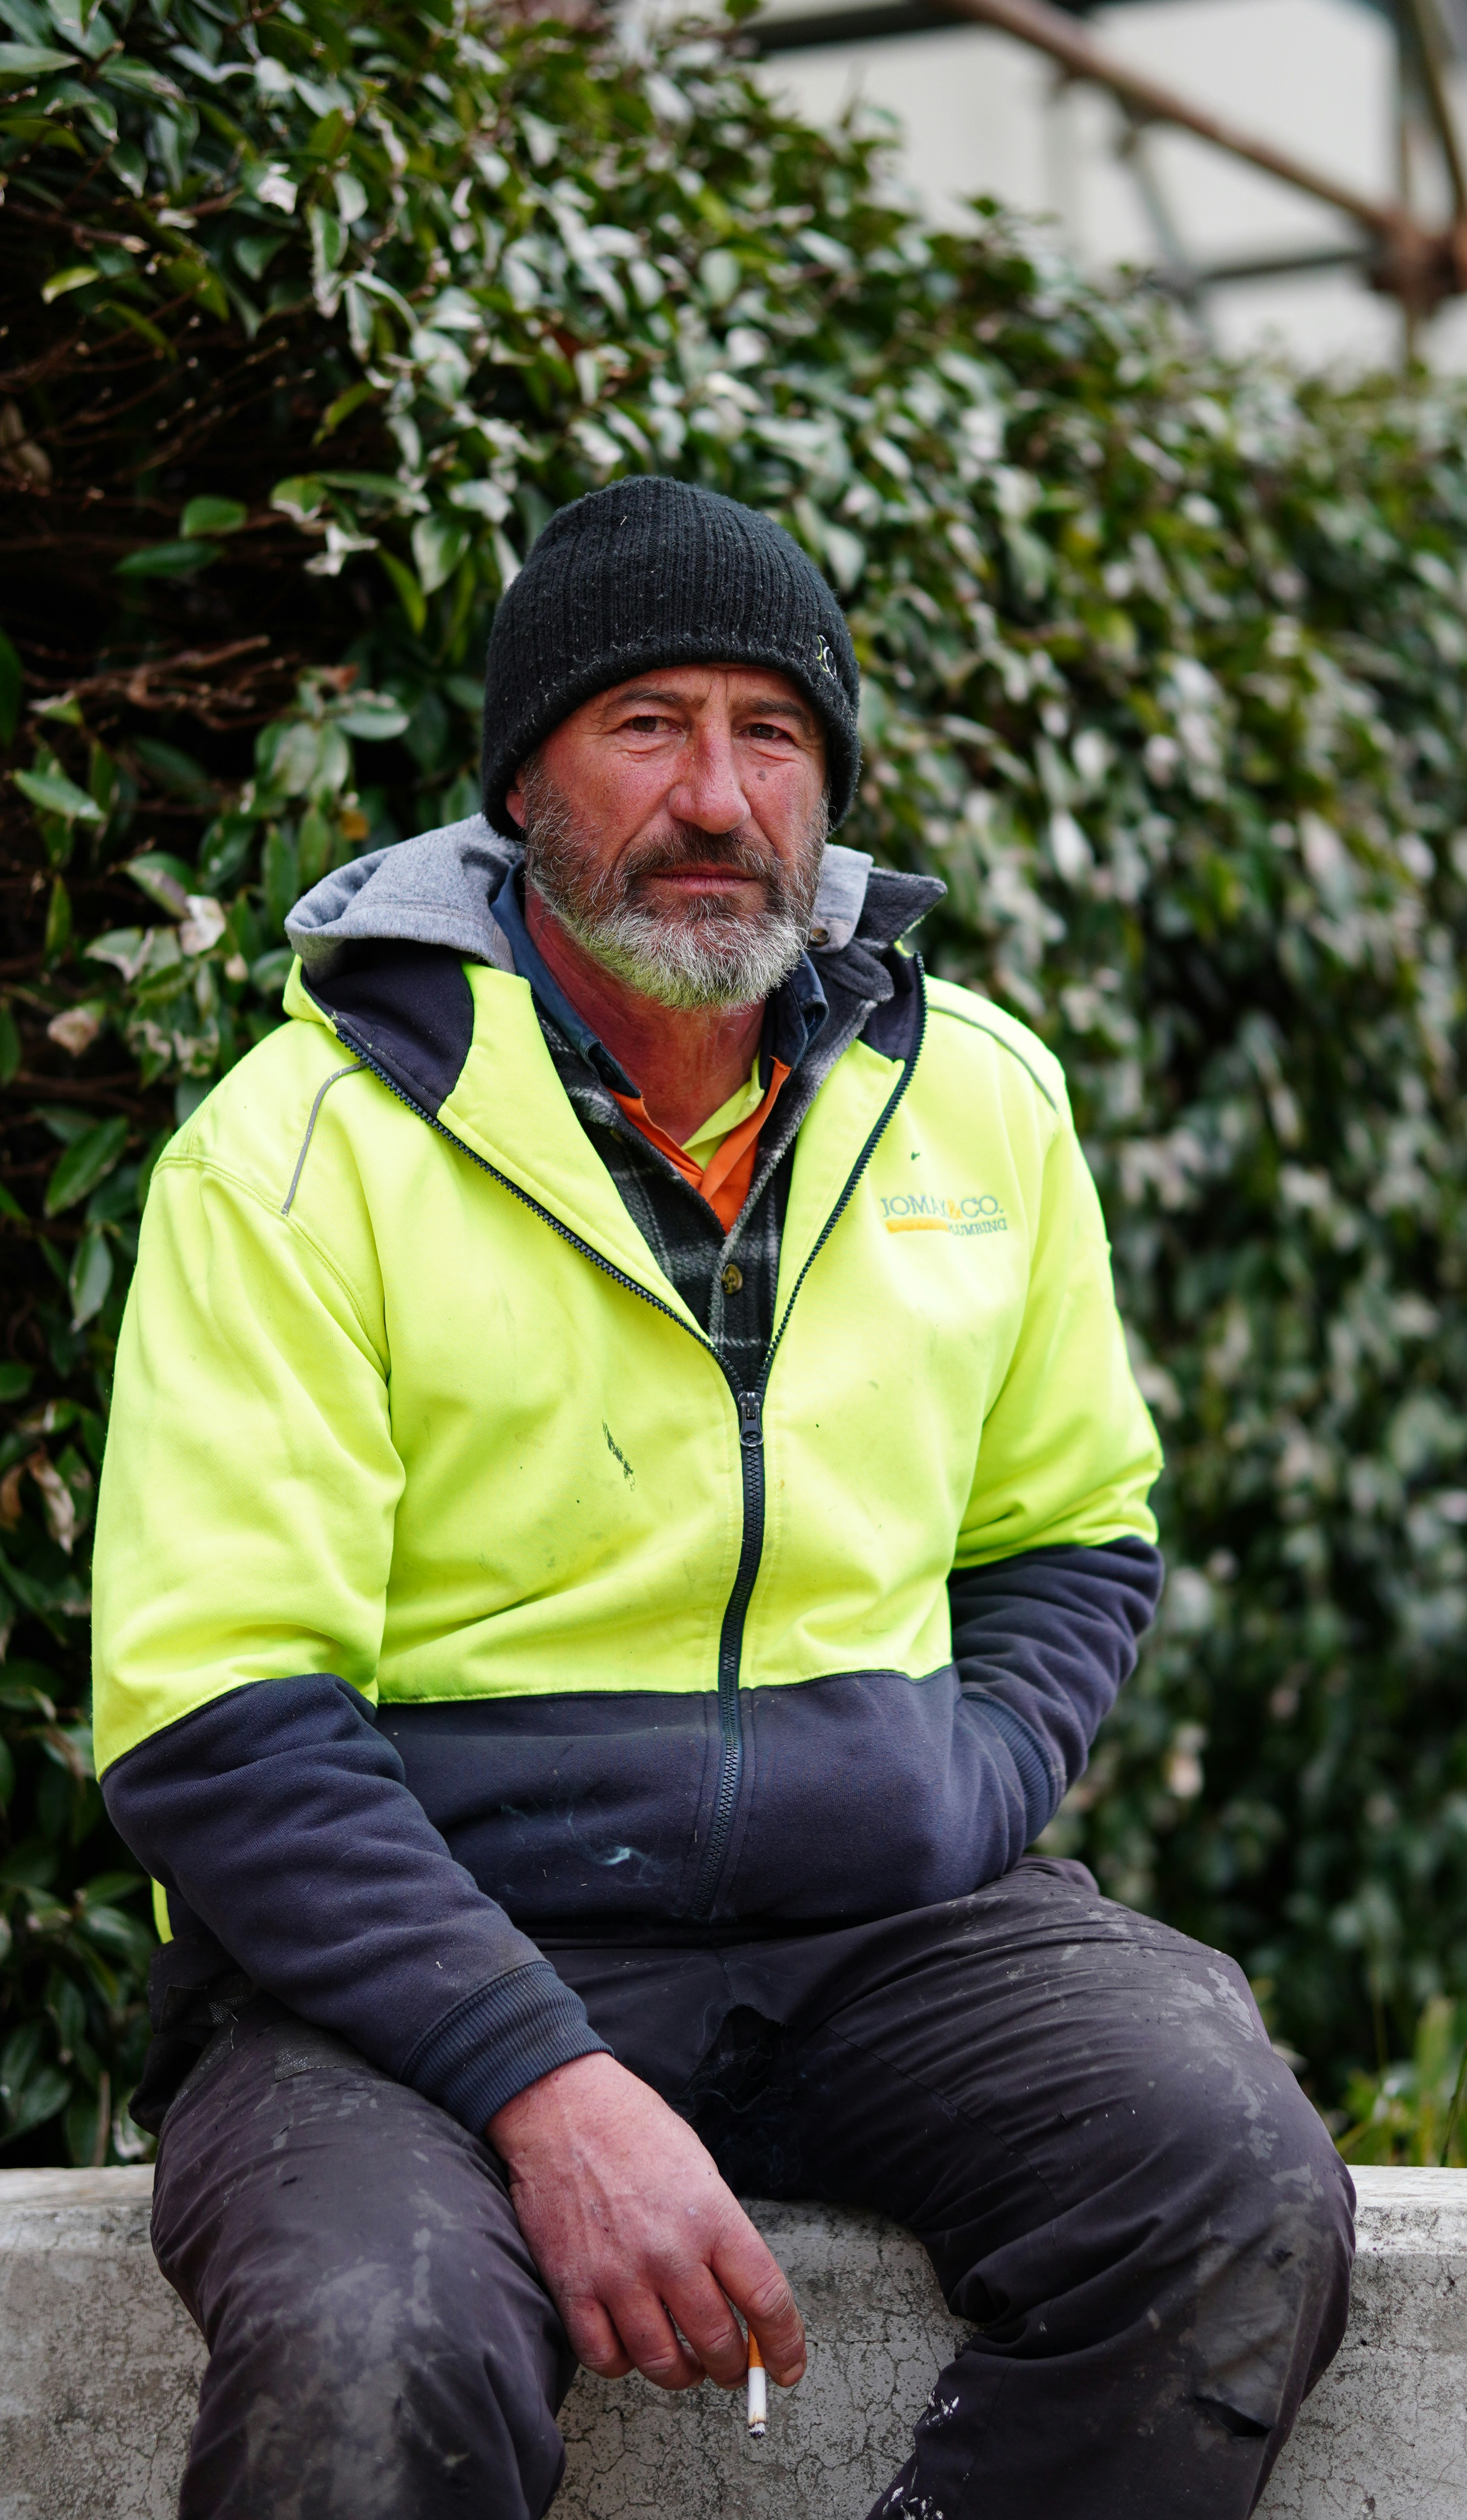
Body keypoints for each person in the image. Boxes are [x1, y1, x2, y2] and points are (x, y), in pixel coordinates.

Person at [92, 477, 1352, 2520]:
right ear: (524, 786)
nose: (717, 795)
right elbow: (221, 1720)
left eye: (771, 733)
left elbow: (1071, 1537)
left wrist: (957, 1796)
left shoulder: (980, 1103)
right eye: (646, 723)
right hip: (409, 1967)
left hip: (882, 1936)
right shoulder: (299, 1148)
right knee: (370, 2355)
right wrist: (540, 2076)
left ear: (830, 787)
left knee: (1222, 2181)